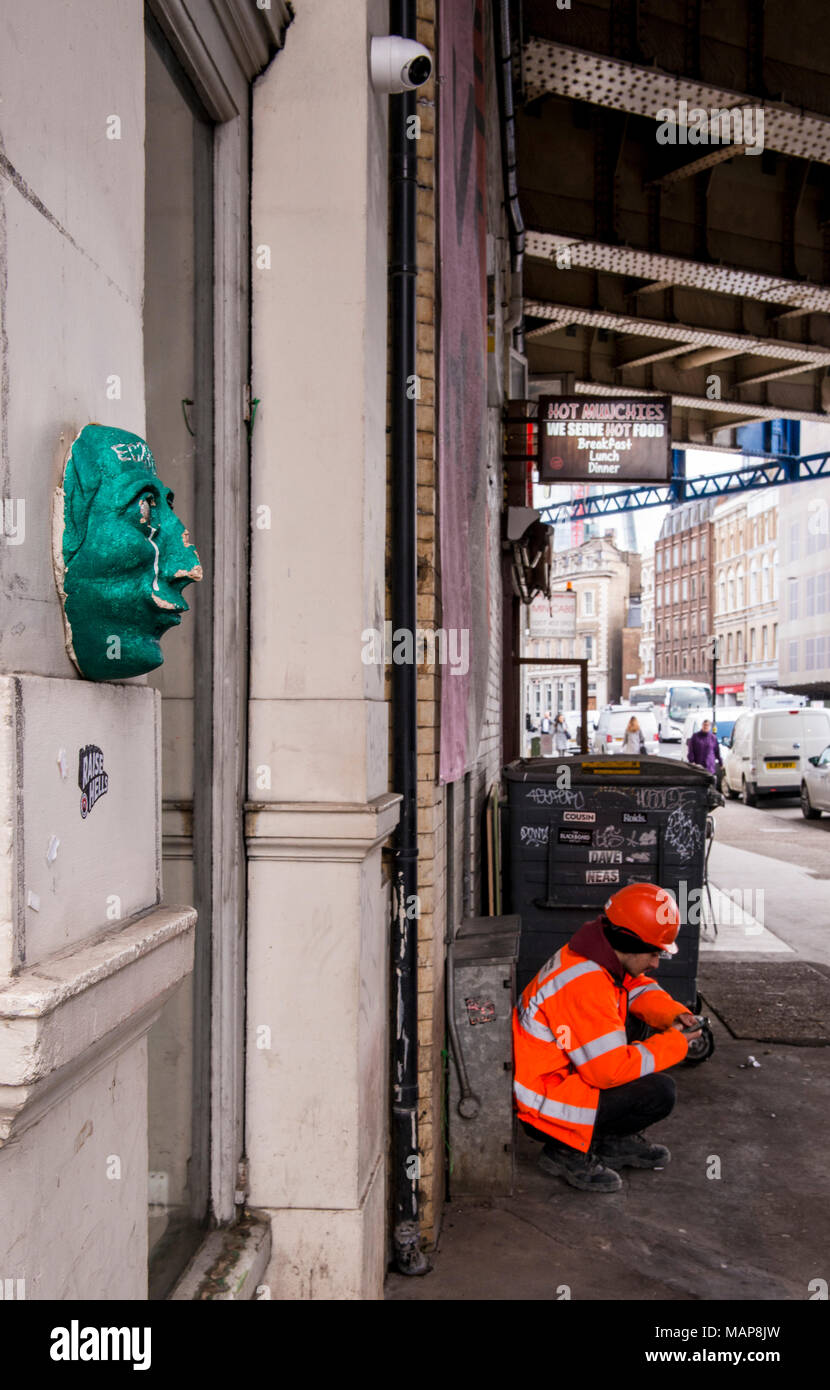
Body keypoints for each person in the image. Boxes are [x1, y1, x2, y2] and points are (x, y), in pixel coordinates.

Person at [513, 882, 701, 1192]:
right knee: (659, 1093)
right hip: (543, 1101)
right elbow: (609, 1071)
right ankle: (565, 1150)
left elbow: (636, 987)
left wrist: (673, 1014)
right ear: (630, 942)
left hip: (557, 1078)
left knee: (641, 1051)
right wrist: (676, 1043)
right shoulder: (585, 983)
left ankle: (610, 1142)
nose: (655, 963)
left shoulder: (595, 955)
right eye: (654, 953)